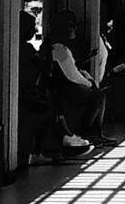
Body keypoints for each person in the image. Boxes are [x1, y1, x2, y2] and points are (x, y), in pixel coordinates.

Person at [18, 12, 90, 164]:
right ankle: (55, 145)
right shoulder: (28, 49)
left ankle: (64, 139)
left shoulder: (21, 48)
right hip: (26, 95)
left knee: (53, 107)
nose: (34, 32)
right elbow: (45, 68)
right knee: (50, 110)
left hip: (27, 92)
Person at [45, 9, 114, 149]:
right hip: (63, 89)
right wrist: (90, 83)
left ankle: (94, 133)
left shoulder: (56, 47)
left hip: (61, 87)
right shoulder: (60, 50)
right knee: (98, 96)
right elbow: (73, 76)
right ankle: (90, 132)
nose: (74, 29)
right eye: (71, 26)